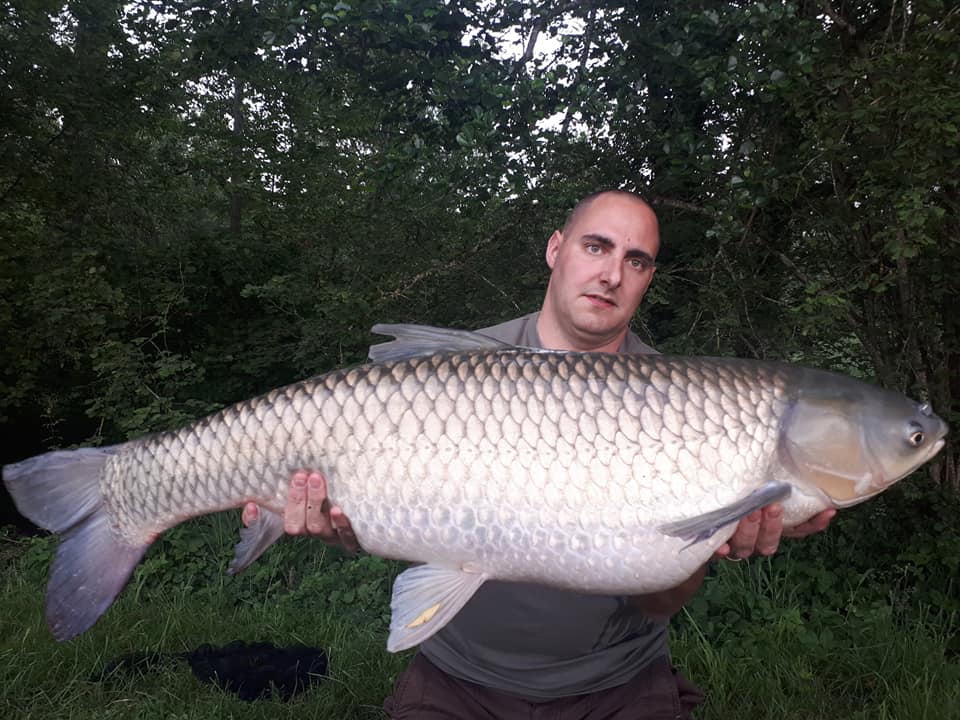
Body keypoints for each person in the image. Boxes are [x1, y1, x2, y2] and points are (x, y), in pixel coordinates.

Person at [242, 189, 835, 718]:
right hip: (459, 679)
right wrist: (349, 525)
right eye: (596, 246)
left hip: (617, 685)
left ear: (649, 277)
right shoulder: (464, 367)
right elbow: (376, 512)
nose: (611, 274)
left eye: (636, 260)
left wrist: (714, 546)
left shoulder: (687, 401)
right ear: (556, 248)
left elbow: (661, 597)